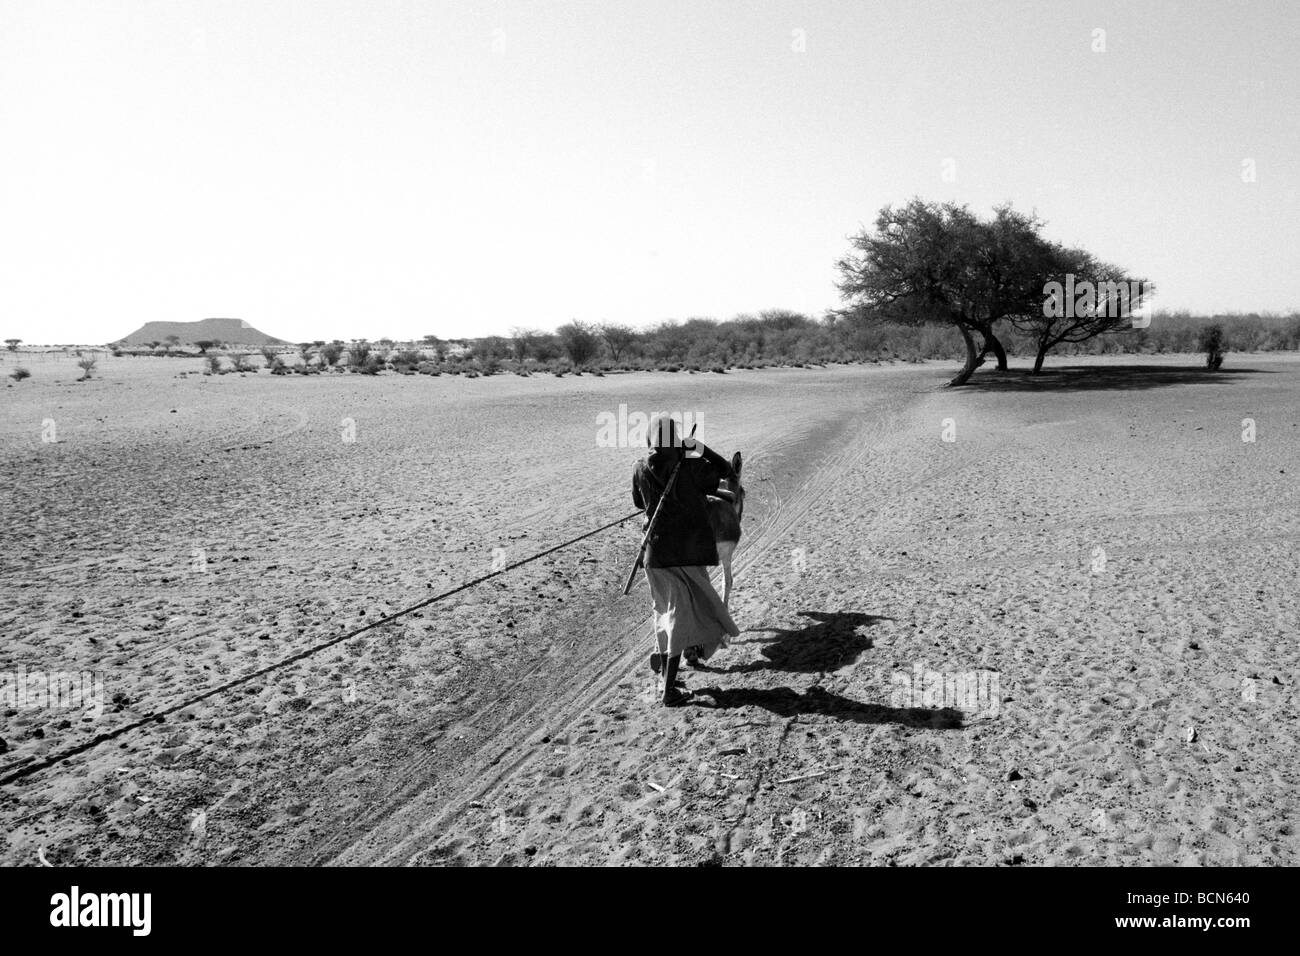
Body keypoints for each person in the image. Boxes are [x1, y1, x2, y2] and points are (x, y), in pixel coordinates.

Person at [631, 414, 740, 706]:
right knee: (679, 617)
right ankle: (668, 691)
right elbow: (726, 470)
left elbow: (639, 504)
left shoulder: (640, 467)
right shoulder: (692, 466)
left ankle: (669, 679)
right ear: (676, 438)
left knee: (663, 614)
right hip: (687, 553)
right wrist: (699, 448)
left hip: (653, 556)